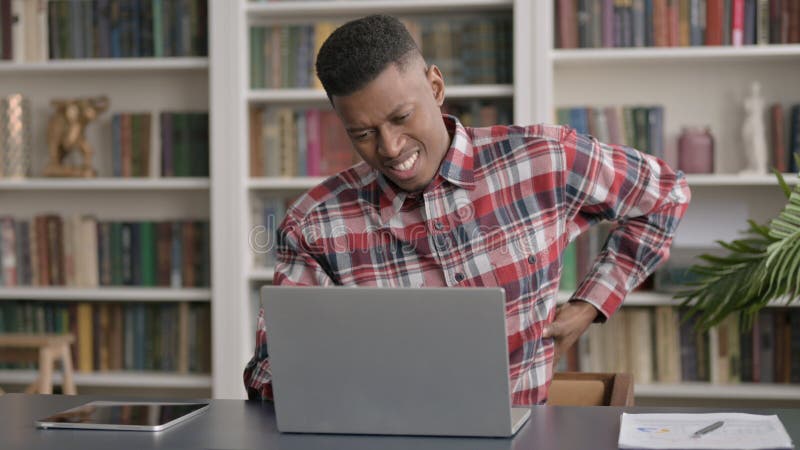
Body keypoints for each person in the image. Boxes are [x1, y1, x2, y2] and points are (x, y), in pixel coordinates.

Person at [243, 14, 691, 405]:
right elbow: (266, 375)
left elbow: (666, 195)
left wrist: (591, 302)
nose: (390, 148)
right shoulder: (313, 222)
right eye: (362, 134)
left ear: (436, 87)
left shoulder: (545, 160)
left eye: (401, 118)